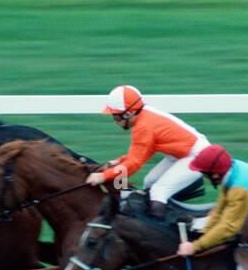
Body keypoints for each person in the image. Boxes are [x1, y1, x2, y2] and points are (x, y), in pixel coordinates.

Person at [85, 85, 212, 220]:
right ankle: (169, 216)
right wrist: (119, 161)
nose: (115, 122)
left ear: (128, 114)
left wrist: (103, 176)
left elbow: (134, 164)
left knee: (159, 191)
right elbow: (143, 151)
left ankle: (159, 232)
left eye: (116, 117)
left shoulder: (143, 127)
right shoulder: (144, 115)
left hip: (197, 156)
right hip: (182, 154)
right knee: (150, 182)